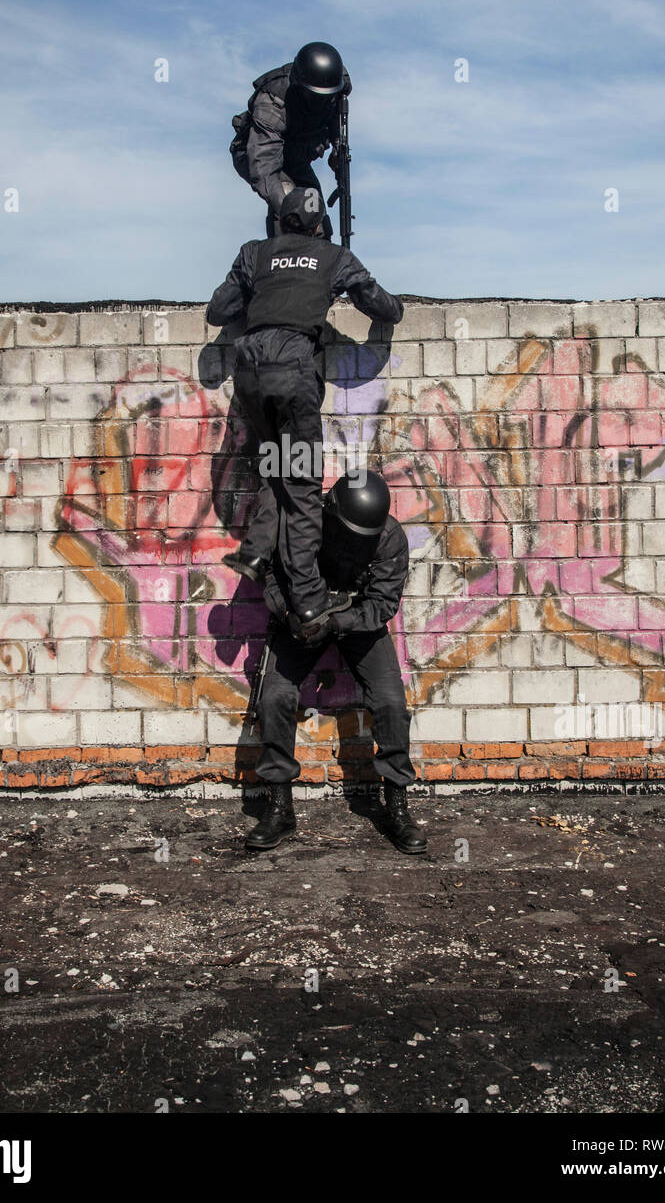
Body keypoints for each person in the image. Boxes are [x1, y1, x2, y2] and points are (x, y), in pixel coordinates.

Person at [206, 186, 404, 636]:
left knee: (277, 468)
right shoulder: (332, 256)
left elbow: (219, 311)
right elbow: (377, 302)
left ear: (279, 221)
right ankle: (310, 598)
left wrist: (264, 290)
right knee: (303, 489)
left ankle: (256, 551)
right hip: (292, 377)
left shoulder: (254, 253)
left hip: (250, 376)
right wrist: (396, 310)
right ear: (319, 227)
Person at [245, 471, 428, 856]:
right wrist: (290, 617)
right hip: (300, 619)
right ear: (330, 513)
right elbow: (273, 577)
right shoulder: (301, 525)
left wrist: (338, 622)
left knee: (391, 702)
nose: (356, 542)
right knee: (274, 697)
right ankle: (279, 808)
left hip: (358, 623)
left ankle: (397, 806)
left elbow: (383, 604)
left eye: (364, 536)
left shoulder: (389, 538)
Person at [230, 42, 350, 238]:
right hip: (259, 153)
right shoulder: (272, 103)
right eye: (315, 97)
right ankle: (283, 251)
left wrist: (338, 143)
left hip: (295, 156)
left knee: (316, 217)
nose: (321, 102)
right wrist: (292, 217)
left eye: (326, 97)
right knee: (294, 214)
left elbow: (336, 112)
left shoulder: (337, 83)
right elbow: (264, 169)